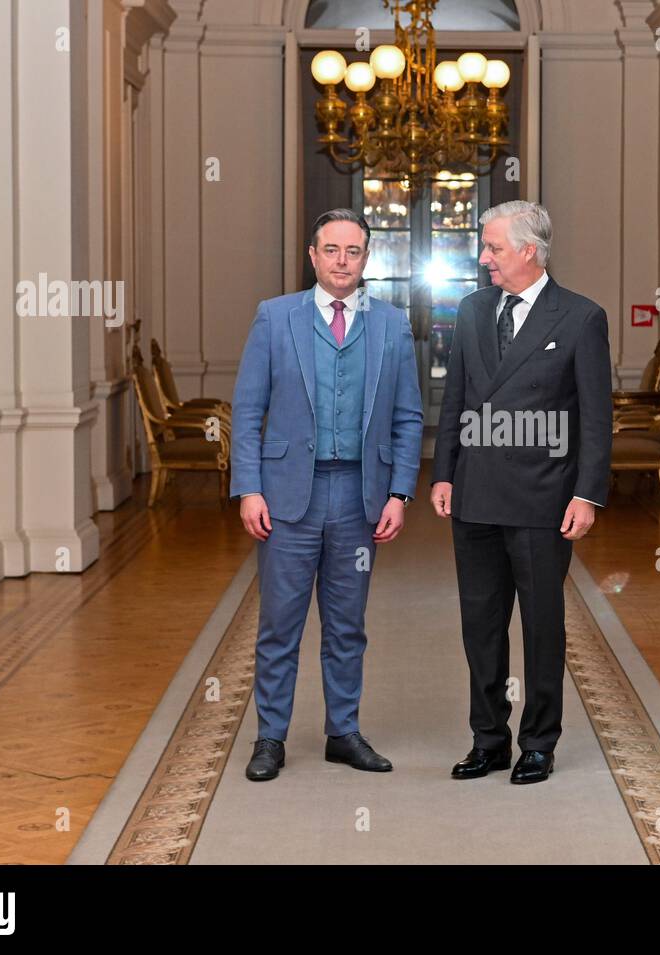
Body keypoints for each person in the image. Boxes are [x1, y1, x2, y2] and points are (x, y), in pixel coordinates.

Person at [231, 208, 423, 781]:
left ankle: (343, 732)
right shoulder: (275, 317)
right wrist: (248, 488)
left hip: (358, 494)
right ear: (312, 256)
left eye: (354, 251)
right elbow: (247, 411)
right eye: (332, 250)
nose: (343, 261)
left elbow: (410, 416)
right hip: (290, 495)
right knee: (279, 624)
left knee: (347, 625)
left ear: (368, 259)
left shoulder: (391, 324)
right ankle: (270, 738)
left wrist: (399, 493)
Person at [431, 200, 612, 784]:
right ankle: (488, 739)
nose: (484, 259)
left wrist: (587, 494)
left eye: (494, 249)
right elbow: (454, 398)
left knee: (541, 624)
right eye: (486, 249)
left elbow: (595, 418)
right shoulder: (472, 309)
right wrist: (442, 473)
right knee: (479, 623)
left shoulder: (581, 317)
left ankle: (538, 741)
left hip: (543, 499)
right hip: (476, 494)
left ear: (529, 251)